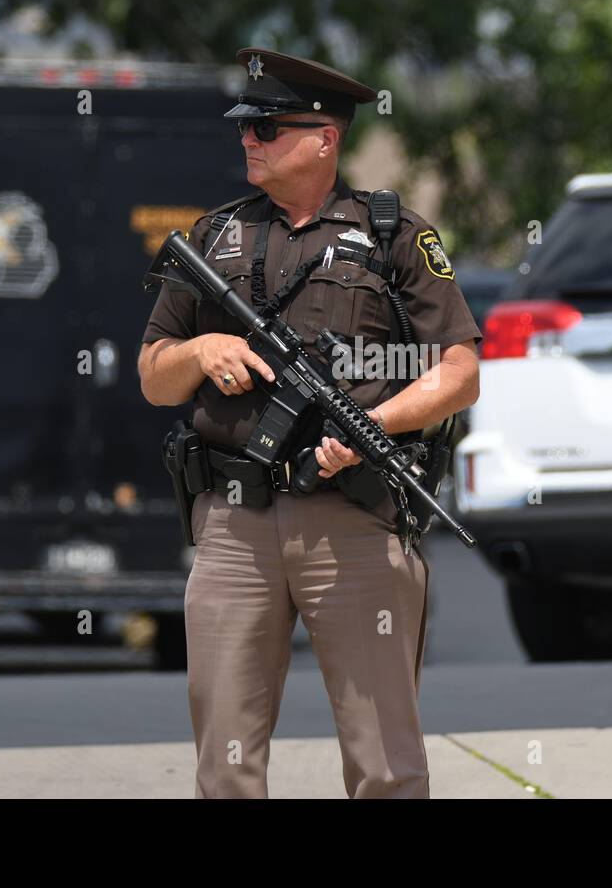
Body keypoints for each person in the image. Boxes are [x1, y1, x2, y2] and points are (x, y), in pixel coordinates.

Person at [138, 47, 481, 798]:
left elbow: (460, 373)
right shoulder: (213, 235)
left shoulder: (394, 236)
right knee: (224, 766)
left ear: (324, 137)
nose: (248, 140)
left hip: (351, 522)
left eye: (267, 127)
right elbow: (155, 378)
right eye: (245, 127)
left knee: (385, 763)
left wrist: (373, 427)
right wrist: (200, 347)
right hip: (232, 525)